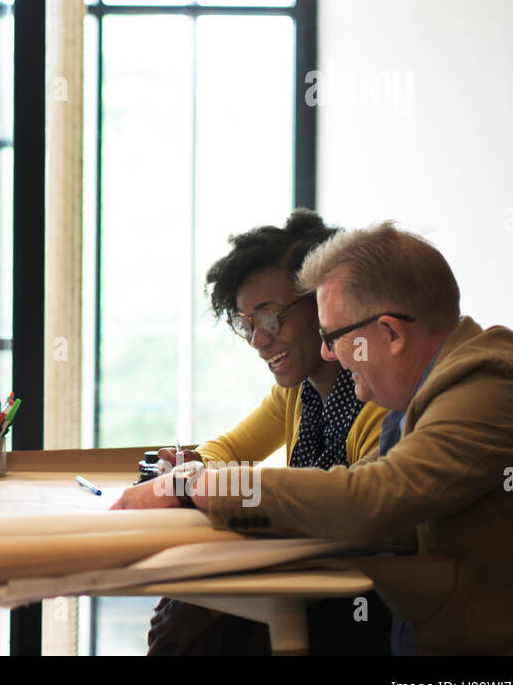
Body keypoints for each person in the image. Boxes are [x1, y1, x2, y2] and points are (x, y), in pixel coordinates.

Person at [116, 222, 513, 654]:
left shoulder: (489, 385)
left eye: (333, 336)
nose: (328, 353)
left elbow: (369, 499)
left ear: (389, 333)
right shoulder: (425, 399)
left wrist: (194, 484)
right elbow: (369, 487)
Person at [129, 210, 390, 654]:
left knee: (197, 617)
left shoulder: (377, 393)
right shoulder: (299, 392)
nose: (257, 339)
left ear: (327, 304)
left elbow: (357, 516)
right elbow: (226, 449)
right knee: (188, 603)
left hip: (362, 601)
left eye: (270, 318)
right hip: (308, 580)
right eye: (246, 323)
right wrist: (194, 468)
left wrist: (202, 485)